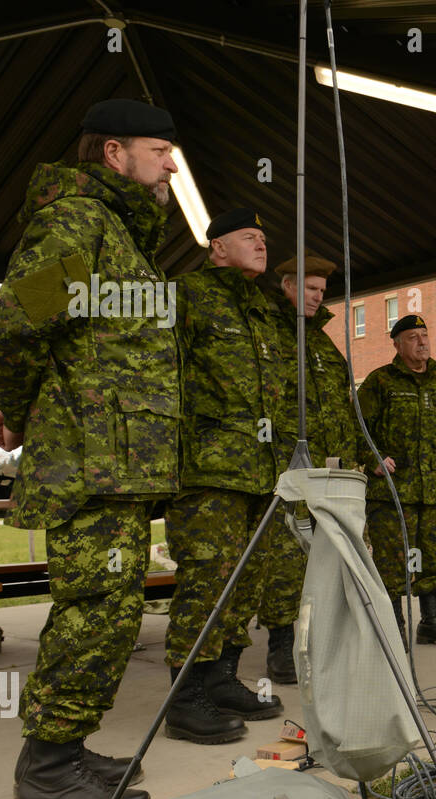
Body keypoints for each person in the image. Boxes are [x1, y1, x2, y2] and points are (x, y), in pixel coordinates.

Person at [0, 98, 179, 799]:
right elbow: (5, 335)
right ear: (114, 152)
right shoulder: (77, 223)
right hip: (88, 465)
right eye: (160, 150)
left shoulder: (120, 236)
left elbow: (91, 352)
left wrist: (42, 407)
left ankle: (66, 749)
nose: (173, 163)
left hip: (115, 465)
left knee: (113, 611)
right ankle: (49, 771)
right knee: (95, 610)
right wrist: (32, 414)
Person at [163, 208, 289, 742]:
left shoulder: (263, 308)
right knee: (207, 579)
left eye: (264, 236)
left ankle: (222, 678)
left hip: (261, 471)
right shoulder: (188, 294)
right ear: (217, 247)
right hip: (210, 468)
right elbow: (158, 365)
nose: (261, 244)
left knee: (248, 578)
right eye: (248, 237)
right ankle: (185, 695)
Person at [254, 253, 361, 683]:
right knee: (284, 560)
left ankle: (323, 639)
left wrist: (350, 461)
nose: (318, 297)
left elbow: (342, 407)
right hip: (287, 468)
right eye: (310, 289)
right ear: (288, 287)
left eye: (322, 290)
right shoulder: (270, 334)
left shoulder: (323, 344)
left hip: (331, 470)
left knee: (332, 553)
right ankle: (281, 646)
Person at [356, 315, 436, 646]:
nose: (422, 342)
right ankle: (394, 625)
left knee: (435, 558)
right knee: (393, 562)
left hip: (433, 492)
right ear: (397, 344)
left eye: (424, 335)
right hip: (392, 493)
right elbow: (357, 427)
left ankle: (431, 622)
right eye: (412, 337)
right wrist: (371, 458)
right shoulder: (380, 383)